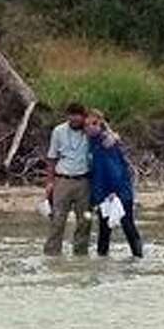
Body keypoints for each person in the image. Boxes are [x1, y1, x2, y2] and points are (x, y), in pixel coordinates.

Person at [85, 110, 143, 258]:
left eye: (94, 124)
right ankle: (102, 260)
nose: (90, 127)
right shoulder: (92, 142)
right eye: (87, 125)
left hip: (118, 192)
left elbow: (114, 169)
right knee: (104, 229)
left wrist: (113, 191)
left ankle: (138, 257)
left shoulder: (106, 142)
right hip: (102, 193)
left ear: (101, 124)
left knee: (127, 225)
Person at [43, 101, 93, 255]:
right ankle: (52, 255)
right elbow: (52, 157)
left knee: (85, 221)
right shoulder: (58, 131)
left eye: (78, 116)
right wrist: (50, 182)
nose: (74, 119)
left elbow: (105, 131)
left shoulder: (90, 130)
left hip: (84, 182)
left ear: (83, 117)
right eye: (71, 116)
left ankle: (80, 255)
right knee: (57, 220)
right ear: (67, 116)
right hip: (62, 180)